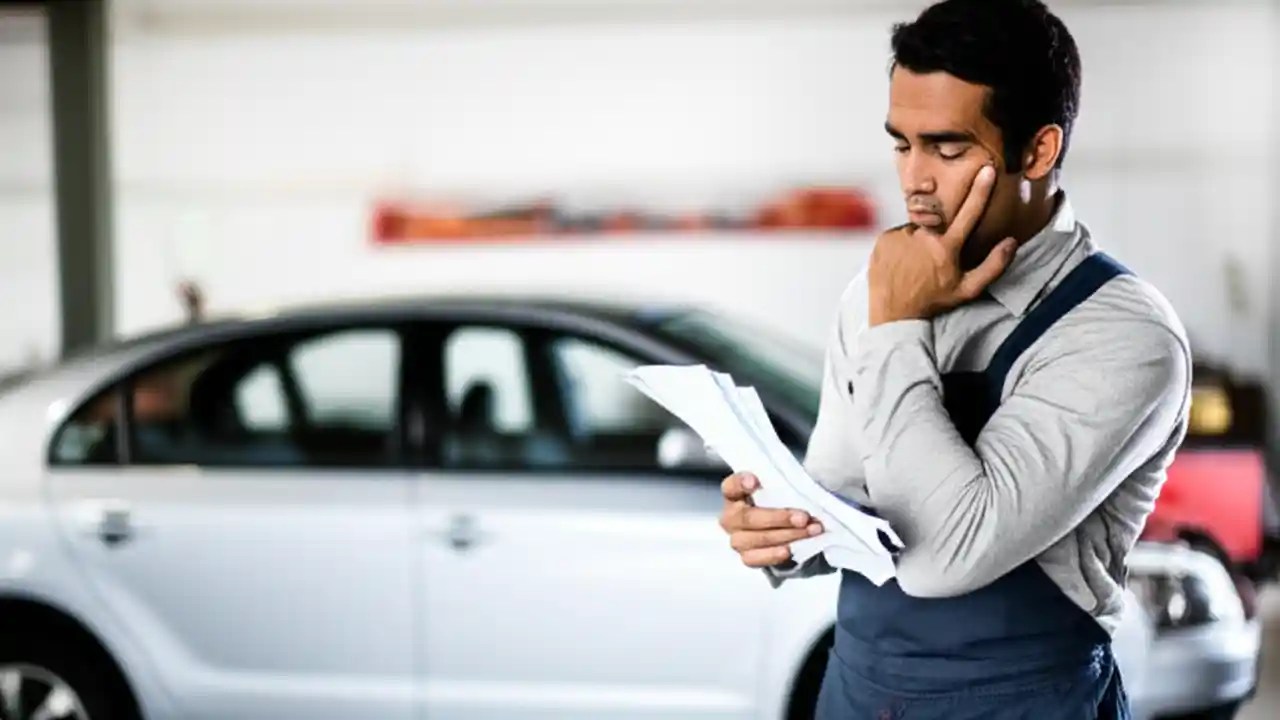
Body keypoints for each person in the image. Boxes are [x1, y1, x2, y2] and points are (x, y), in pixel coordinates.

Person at [718, 1, 1193, 717]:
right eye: (901, 143)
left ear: (1036, 150)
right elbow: (843, 489)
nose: (913, 180)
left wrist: (897, 323)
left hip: (1024, 703)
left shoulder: (1123, 334)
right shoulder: (877, 293)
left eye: (946, 148)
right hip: (858, 692)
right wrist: (785, 536)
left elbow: (948, 555)